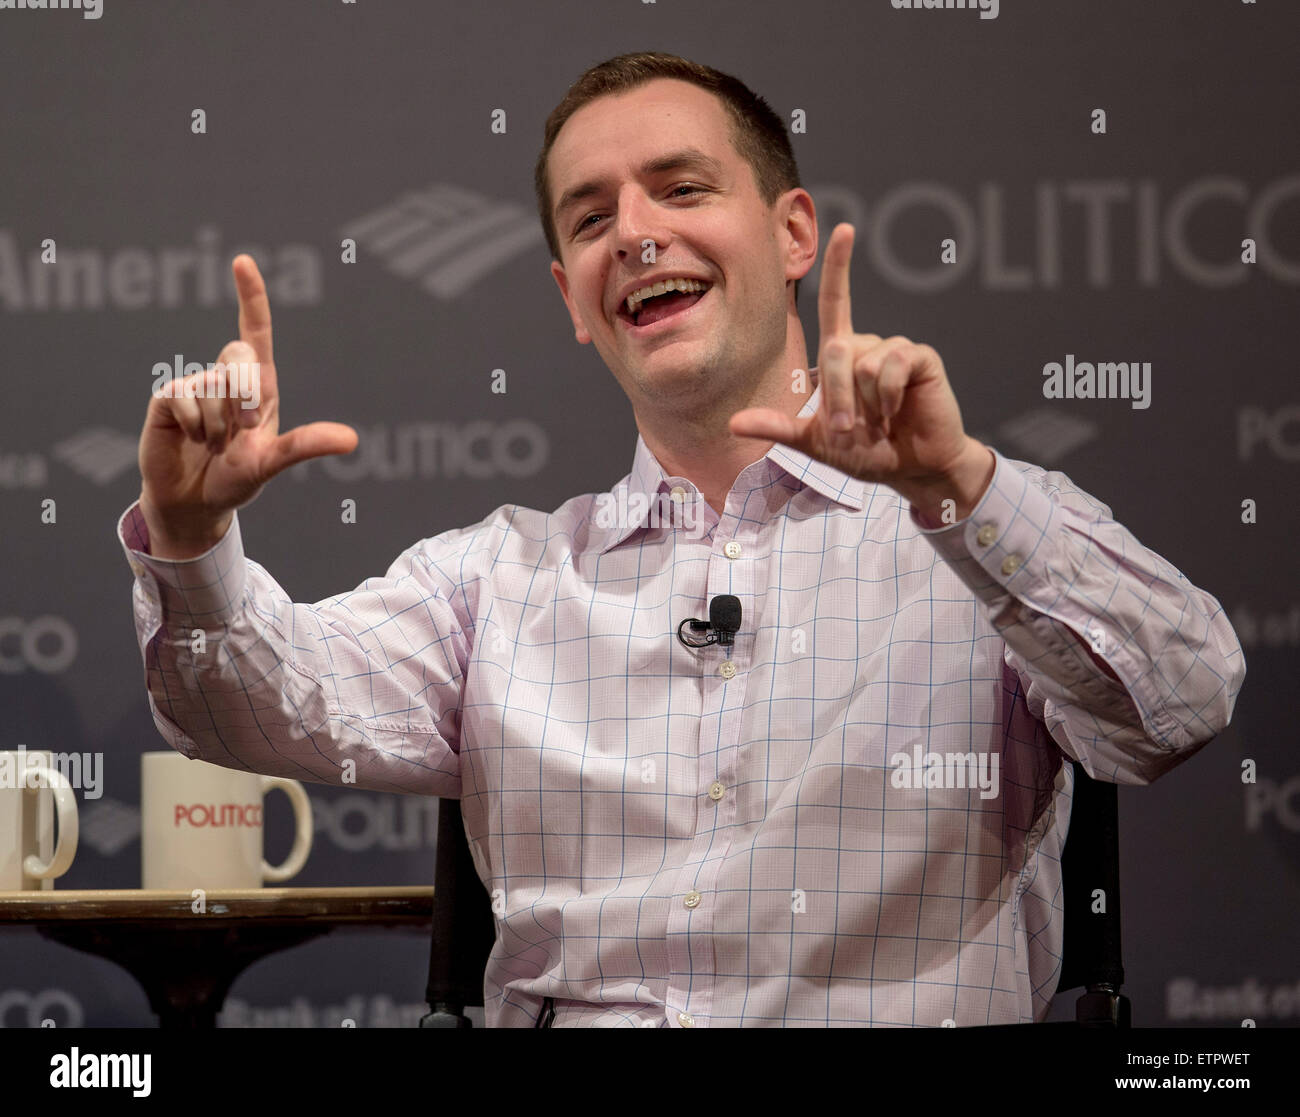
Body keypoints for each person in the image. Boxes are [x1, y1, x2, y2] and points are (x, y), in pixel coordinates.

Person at [118, 51, 1244, 1028]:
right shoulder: (497, 578)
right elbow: (240, 707)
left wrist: (958, 491)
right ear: (572, 295)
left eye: (681, 189)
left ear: (792, 232)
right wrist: (190, 528)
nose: (638, 235)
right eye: (592, 218)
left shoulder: (973, 537)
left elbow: (1182, 702)